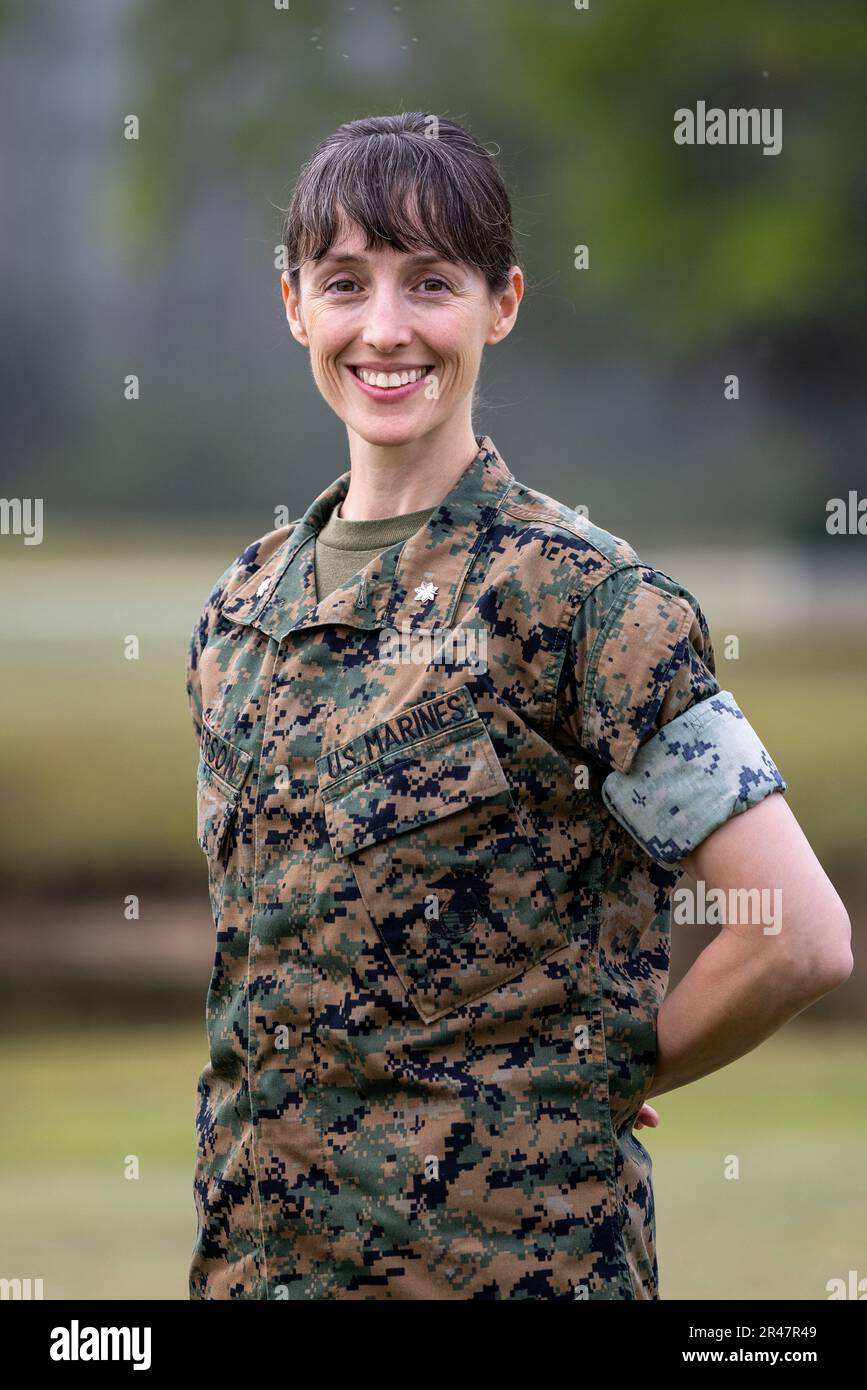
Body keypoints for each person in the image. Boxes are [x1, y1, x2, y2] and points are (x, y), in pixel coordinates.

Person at [185, 112, 852, 1301]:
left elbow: (795, 933)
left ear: (502, 303)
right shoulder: (243, 613)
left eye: (430, 283)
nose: (385, 328)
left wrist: (605, 1071)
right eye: (346, 283)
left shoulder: (586, 603)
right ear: (296, 305)